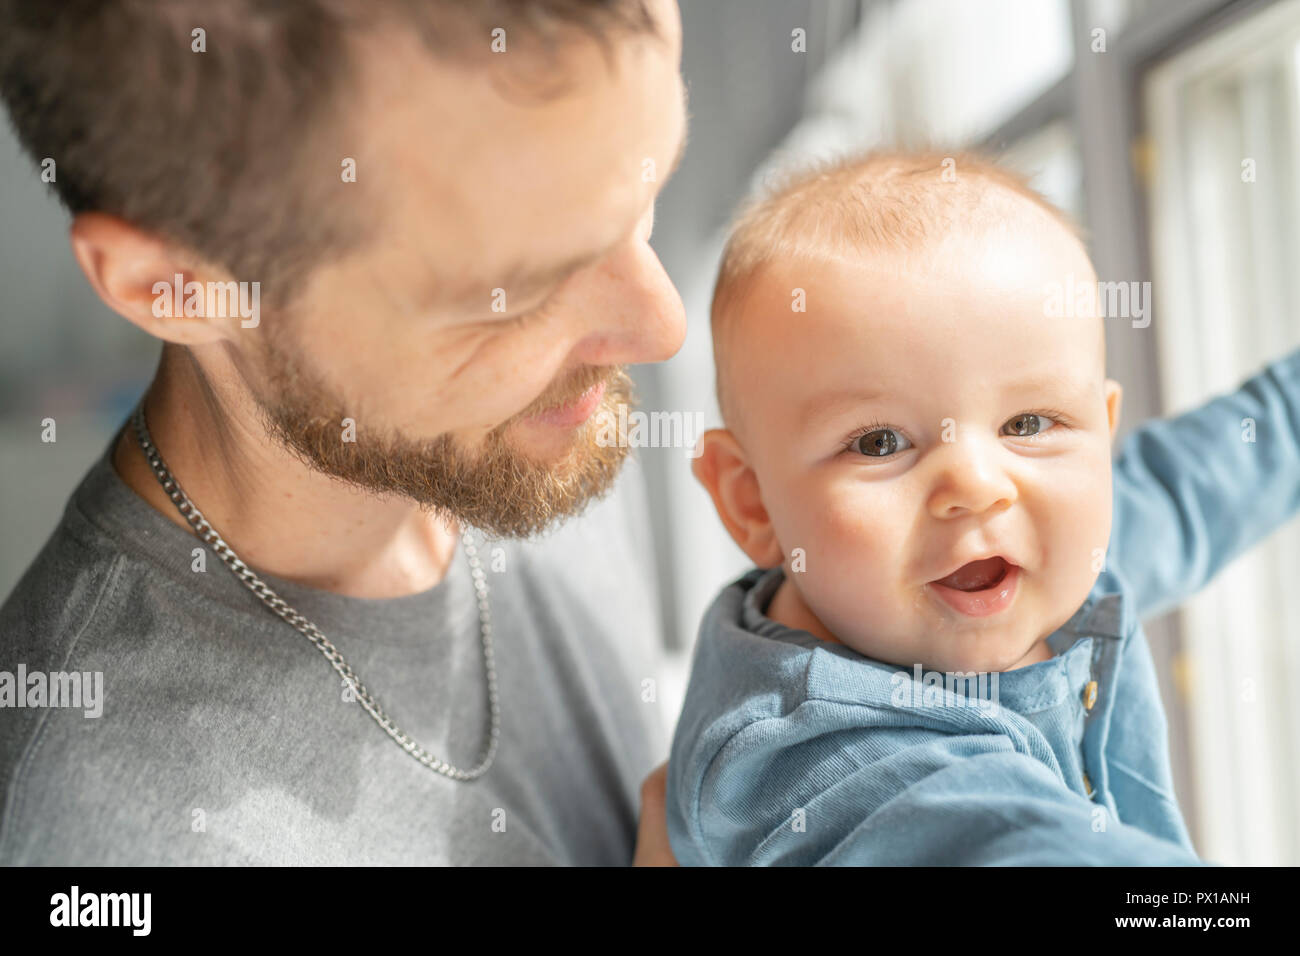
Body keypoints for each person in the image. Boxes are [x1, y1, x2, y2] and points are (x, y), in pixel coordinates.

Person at [0, 0, 687, 865]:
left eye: (648, 193)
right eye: (520, 292)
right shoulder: (123, 845)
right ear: (172, 284)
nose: (660, 326)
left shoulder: (538, 412)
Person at [668, 150, 1300, 864]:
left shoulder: (1039, 563)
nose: (977, 486)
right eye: (880, 442)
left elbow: (1207, 477)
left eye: (1028, 424)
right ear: (751, 500)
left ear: (1101, 432)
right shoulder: (811, 759)